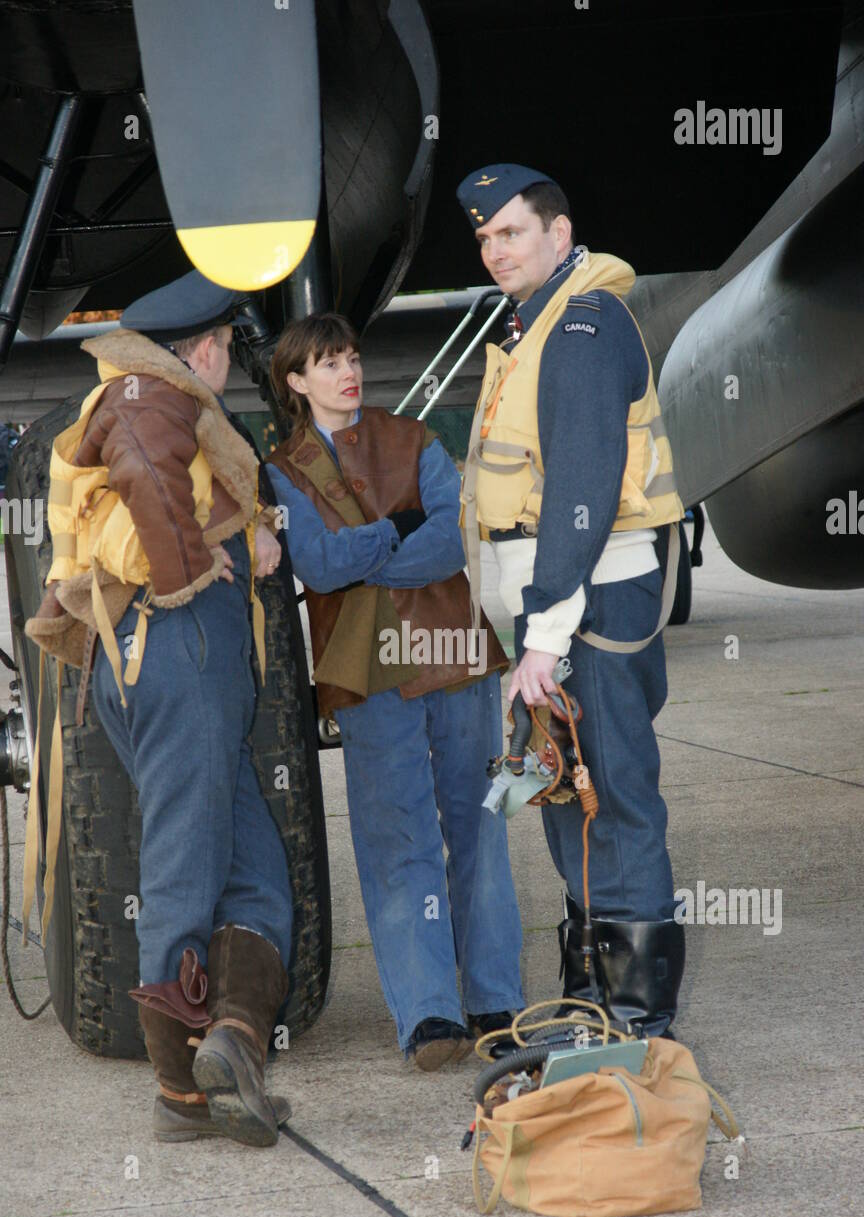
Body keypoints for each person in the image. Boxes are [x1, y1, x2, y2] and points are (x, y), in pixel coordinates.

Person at [26, 270, 293, 1145]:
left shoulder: (127, 392)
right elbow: (145, 470)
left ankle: (234, 1045)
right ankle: (179, 1088)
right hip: (178, 644)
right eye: (227, 347)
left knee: (251, 864)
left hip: (150, 651)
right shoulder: (150, 393)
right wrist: (184, 582)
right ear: (206, 347)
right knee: (185, 853)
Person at [456, 164, 686, 1037]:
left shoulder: (582, 324)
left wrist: (546, 638)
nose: (493, 251)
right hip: (556, 612)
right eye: (484, 238)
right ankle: (593, 1002)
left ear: (559, 233)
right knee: (562, 791)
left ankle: (636, 1024)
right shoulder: (535, 325)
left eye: (509, 232)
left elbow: (583, 490)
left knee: (615, 795)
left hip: (589, 606)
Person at [265, 312, 525, 1068]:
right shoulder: (283, 468)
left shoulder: (415, 438)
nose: (347, 370)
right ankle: (428, 1017)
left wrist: (369, 555)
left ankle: (495, 1001)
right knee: (398, 840)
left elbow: (451, 538)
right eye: (326, 361)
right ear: (295, 380)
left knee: (482, 828)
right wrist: (393, 533)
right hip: (369, 672)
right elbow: (315, 564)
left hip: (456, 654)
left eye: (350, 355)